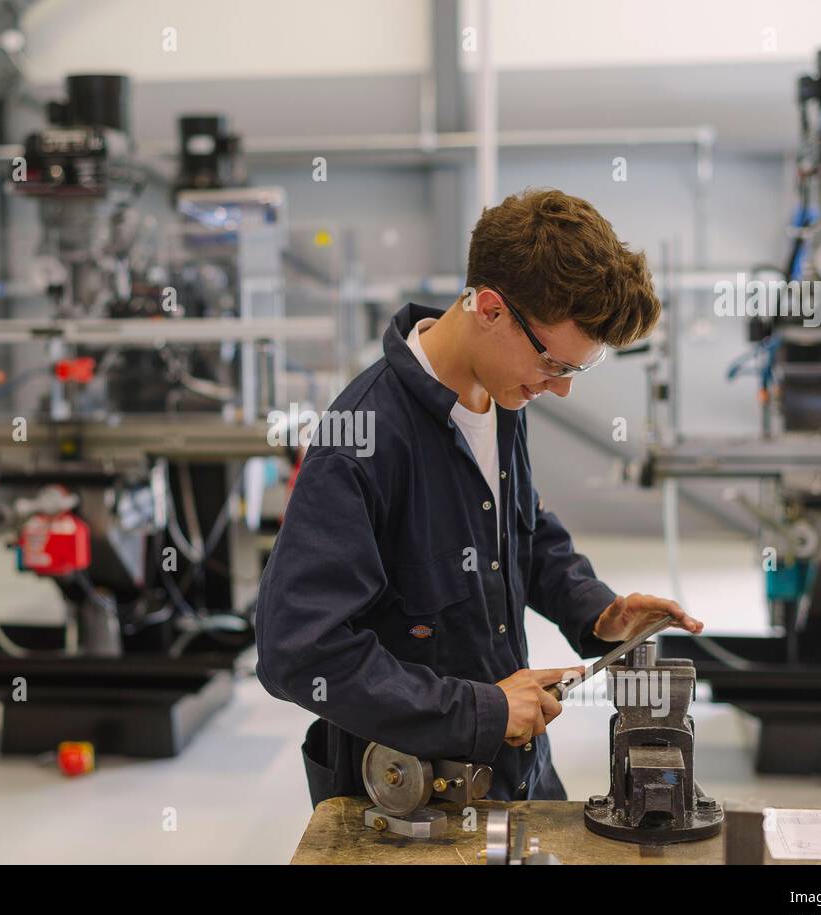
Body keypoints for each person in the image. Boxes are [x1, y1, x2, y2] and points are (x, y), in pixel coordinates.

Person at [255, 188, 704, 806]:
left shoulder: (500, 393)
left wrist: (594, 610)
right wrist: (479, 709)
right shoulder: (360, 441)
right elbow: (297, 652)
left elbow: (524, 526)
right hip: (410, 797)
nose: (561, 391)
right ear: (490, 309)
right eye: (557, 365)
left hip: (514, 768)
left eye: (575, 371)